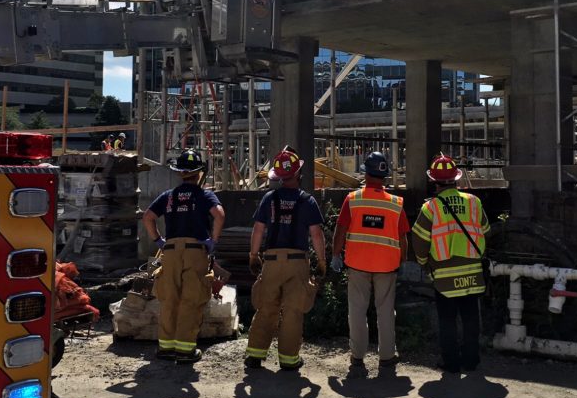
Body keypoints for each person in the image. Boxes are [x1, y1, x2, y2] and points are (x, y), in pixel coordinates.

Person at [245, 147, 326, 371]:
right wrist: (321, 261)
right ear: (298, 174)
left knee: (266, 307)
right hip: (297, 262)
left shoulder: (269, 199)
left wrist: (253, 256)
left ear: (279, 177)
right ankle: (289, 360)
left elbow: (258, 229)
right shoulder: (307, 201)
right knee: (292, 310)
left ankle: (254, 355)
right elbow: (316, 234)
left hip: (271, 260)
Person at [142, 149, 225, 364]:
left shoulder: (168, 196)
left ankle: (166, 348)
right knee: (191, 298)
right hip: (195, 250)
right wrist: (213, 241)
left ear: (180, 173)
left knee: (169, 298)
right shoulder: (204, 194)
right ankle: (186, 350)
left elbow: (148, 217)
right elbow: (219, 215)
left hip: (169, 251)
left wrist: (158, 241)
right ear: (199, 173)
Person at [411, 154, 490, 376]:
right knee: (470, 318)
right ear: (456, 179)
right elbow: (485, 231)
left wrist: (424, 262)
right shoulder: (474, 202)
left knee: (447, 320)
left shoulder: (431, 208)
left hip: (444, 275)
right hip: (473, 272)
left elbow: (418, 240)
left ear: (434, 182)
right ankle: (471, 361)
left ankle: (452, 364)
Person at [331, 152, 409, 373]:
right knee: (385, 311)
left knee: (357, 310)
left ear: (365, 173)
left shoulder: (353, 199)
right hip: (387, 265)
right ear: (384, 176)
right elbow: (403, 237)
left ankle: (357, 358)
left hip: (357, 263)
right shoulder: (396, 203)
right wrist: (401, 260)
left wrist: (336, 254)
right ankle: (386, 357)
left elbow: (340, 230)